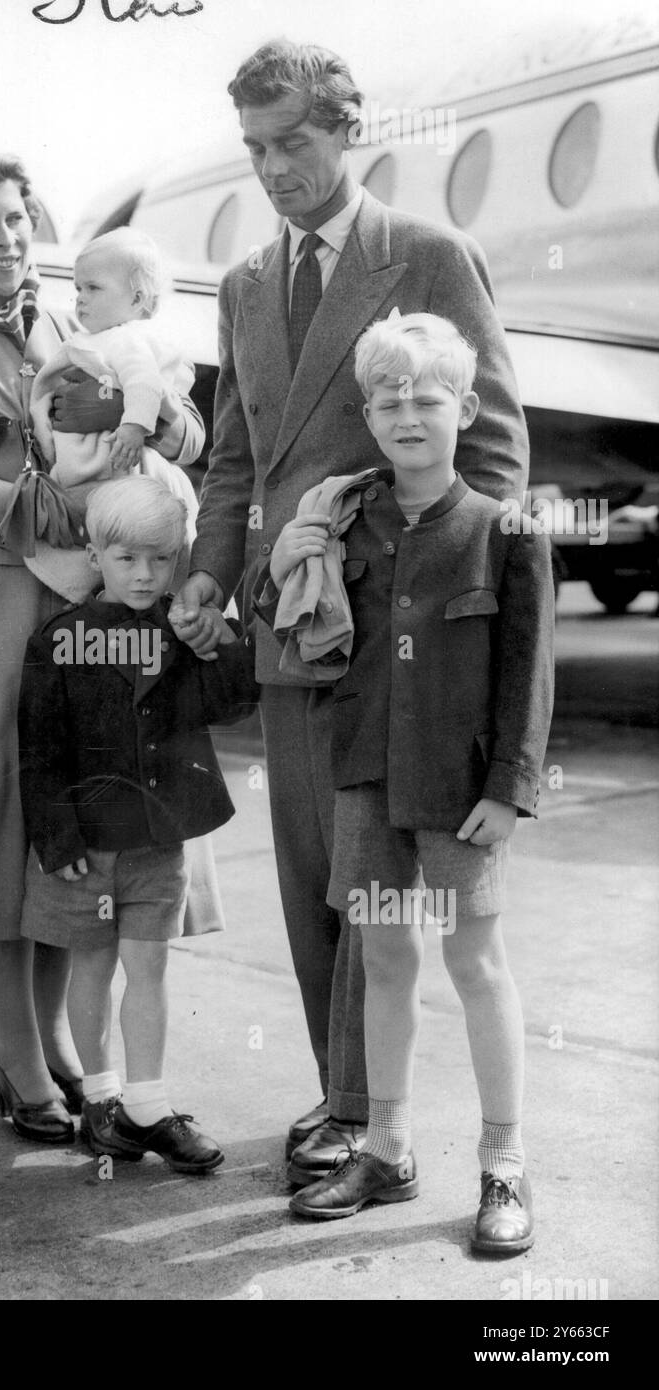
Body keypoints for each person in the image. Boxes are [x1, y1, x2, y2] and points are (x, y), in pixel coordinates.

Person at [168, 39, 529, 1178]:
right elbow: (235, 461)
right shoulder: (241, 285)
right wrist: (208, 577)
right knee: (313, 877)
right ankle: (344, 1098)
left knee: (377, 889)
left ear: (347, 131)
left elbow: (500, 450)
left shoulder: (427, 255)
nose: (274, 169)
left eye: (296, 142)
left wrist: (461, 612)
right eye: (258, 149)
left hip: (398, 637)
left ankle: (375, 1118)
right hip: (290, 620)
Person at [0, 150, 205, 1142]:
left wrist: (179, 425)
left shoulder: (87, 326)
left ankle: (66, 1046)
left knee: (77, 825)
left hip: (93, 603)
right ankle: (18, 1052)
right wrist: (28, 500)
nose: (8, 238)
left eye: (18, 219)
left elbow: (175, 424)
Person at [261, 313, 553, 1251]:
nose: (406, 414)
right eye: (387, 401)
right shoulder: (344, 519)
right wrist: (296, 551)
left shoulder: (505, 531)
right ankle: (386, 1148)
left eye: (427, 398)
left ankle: (504, 1166)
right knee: (387, 959)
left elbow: (528, 671)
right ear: (368, 414)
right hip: (369, 779)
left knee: (475, 965)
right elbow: (288, 623)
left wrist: (508, 790)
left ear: (465, 408)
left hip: (465, 792)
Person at [18, 476, 259, 1172]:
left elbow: (234, 702)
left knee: (148, 967)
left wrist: (218, 642)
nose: (146, 574)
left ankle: (147, 1108)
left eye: (161, 558)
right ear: (95, 556)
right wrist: (55, 834)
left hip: (158, 841)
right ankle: (102, 1102)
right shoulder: (60, 640)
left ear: (179, 556)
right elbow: (38, 746)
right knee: (90, 965)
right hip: (87, 847)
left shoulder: (183, 631)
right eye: (127, 559)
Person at [25, 228, 198, 602]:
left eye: (93, 288)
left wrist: (134, 426)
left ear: (136, 299)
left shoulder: (128, 338)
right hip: (86, 463)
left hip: (119, 461)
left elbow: (145, 383)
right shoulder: (95, 339)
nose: (80, 300)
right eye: (77, 289)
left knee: (124, 536)